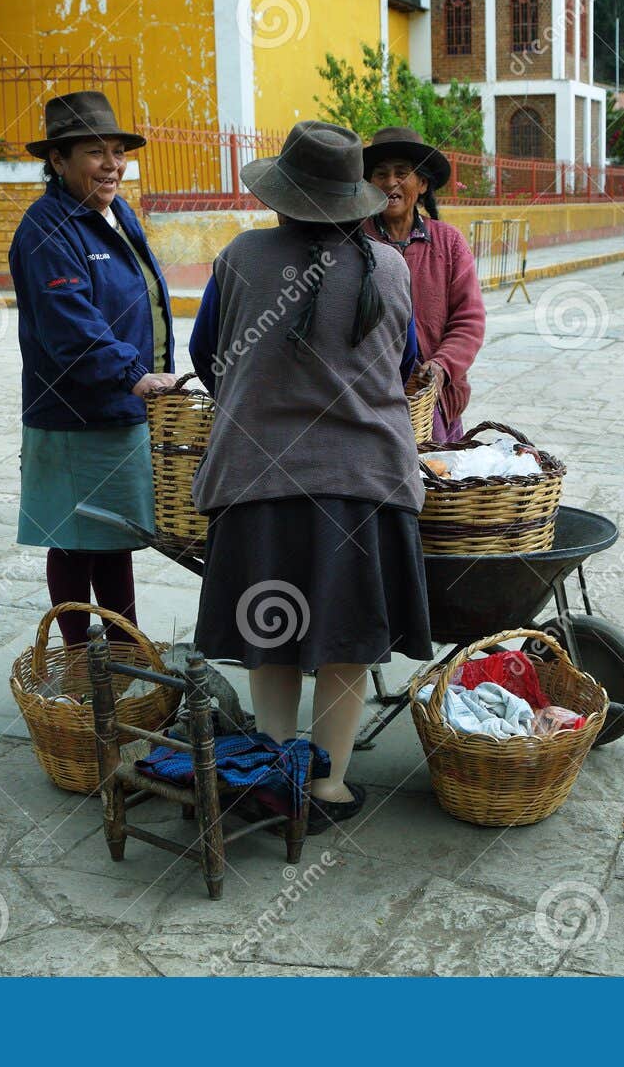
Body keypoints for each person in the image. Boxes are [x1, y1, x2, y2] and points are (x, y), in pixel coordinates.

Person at [189, 121, 431, 834]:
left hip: (259, 482)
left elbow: (206, 356)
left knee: (274, 635)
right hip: (364, 486)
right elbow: (401, 362)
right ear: (353, 197)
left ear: (282, 197)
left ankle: (272, 775)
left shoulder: (239, 257)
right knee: (345, 640)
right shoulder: (388, 266)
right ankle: (327, 787)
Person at [9, 91, 175, 648]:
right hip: (75, 414)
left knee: (113, 537)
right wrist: (133, 373)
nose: (112, 164)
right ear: (57, 161)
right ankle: (79, 656)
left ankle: (125, 647)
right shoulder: (47, 229)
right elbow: (69, 323)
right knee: (74, 538)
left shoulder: (116, 213)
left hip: (123, 405)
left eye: (118, 152)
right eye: (95, 153)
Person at [363, 126, 485, 442]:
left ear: (422, 184)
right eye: (380, 174)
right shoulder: (354, 241)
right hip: (370, 396)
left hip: (432, 398)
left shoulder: (448, 242)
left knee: (435, 481)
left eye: (402, 173)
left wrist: (443, 365)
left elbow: (469, 320)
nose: (390, 182)